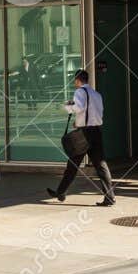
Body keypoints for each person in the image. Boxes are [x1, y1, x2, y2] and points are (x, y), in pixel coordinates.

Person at [48, 70, 115, 207]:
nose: (75, 83)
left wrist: (68, 106)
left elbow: (79, 107)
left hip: (85, 134)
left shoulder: (80, 92)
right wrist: (79, 122)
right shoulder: (97, 94)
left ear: (78, 80)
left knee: (73, 164)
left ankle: (60, 192)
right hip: (96, 131)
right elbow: (97, 113)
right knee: (101, 166)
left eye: (75, 80)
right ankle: (110, 197)